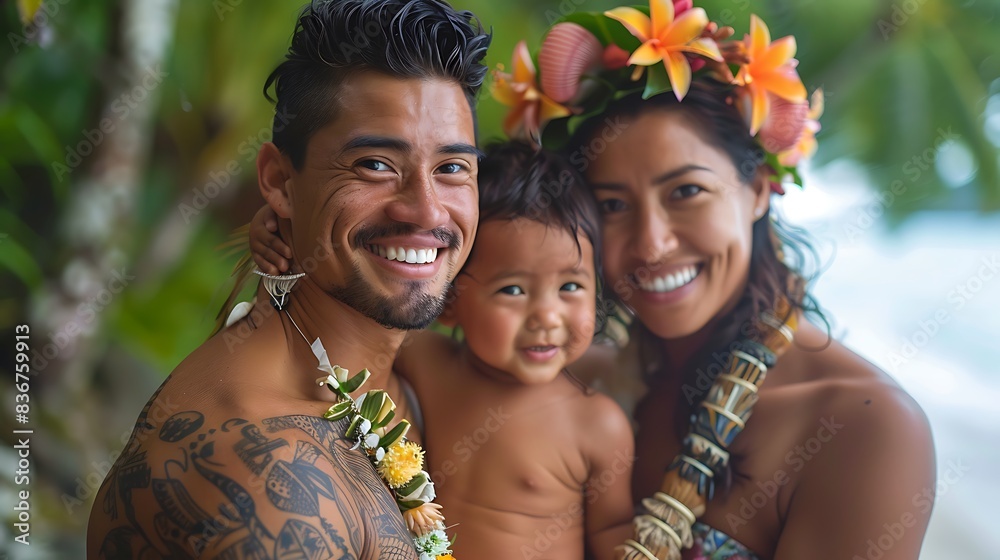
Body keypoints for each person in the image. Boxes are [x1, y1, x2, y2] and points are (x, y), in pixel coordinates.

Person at [496, 2, 934, 558]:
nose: (652, 244)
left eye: (686, 192)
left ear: (757, 190)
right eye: (611, 204)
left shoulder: (864, 428)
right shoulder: (571, 382)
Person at [86, 1, 491, 559]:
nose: (426, 211)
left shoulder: (395, 370)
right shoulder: (271, 490)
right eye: (376, 163)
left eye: (451, 168)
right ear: (279, 180)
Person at [249, 141, 636, 559]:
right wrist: (280, 233)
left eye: (570, 287)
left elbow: (613, 527)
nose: (547, 316)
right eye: (513, 290)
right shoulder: (428, 361)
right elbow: (328, 317)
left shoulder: (597, 424)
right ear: (447, 302)